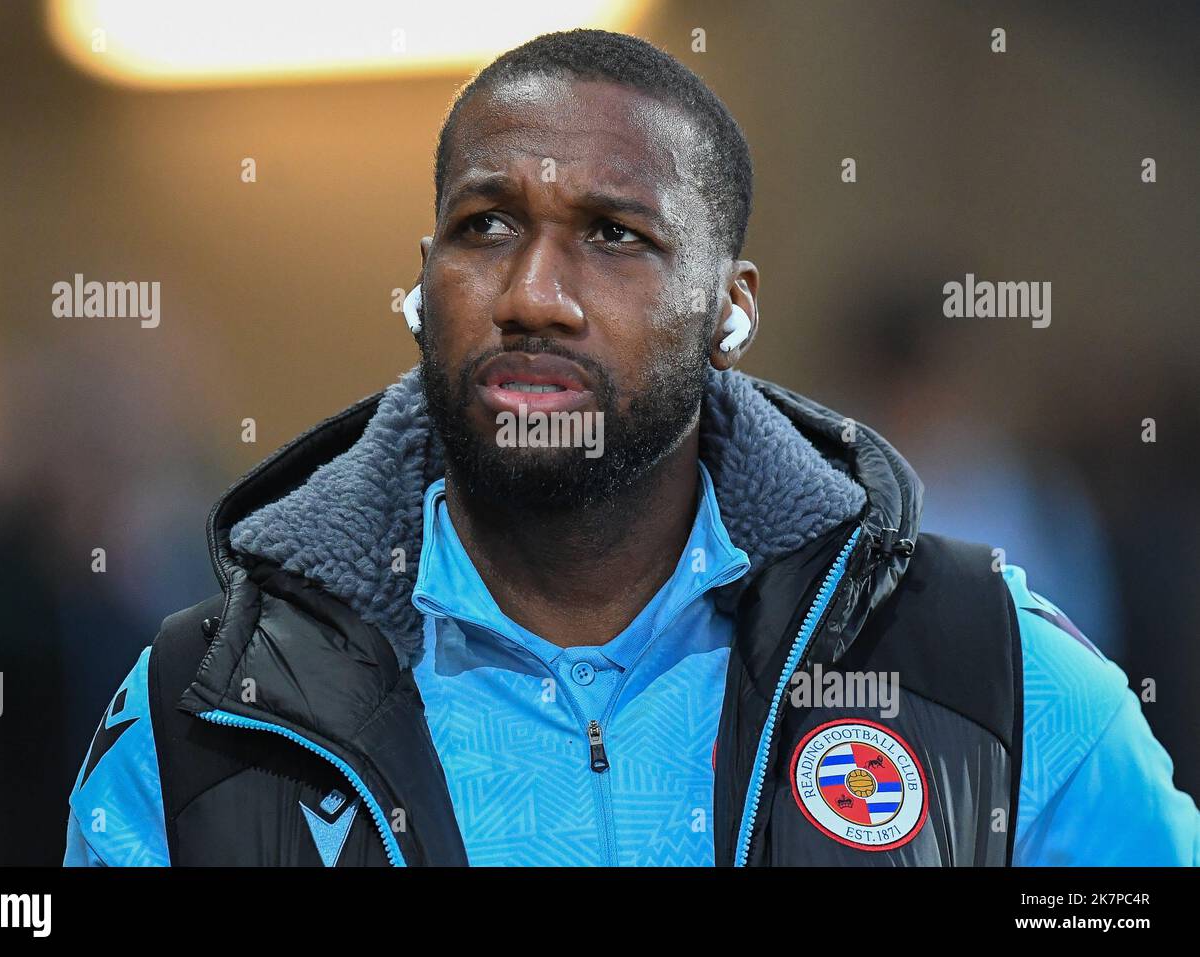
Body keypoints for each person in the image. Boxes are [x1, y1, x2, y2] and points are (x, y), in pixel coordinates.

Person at [64, 29, 1198, 867]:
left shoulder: (985, 670)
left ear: (727, 310)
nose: (533, 294)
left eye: (615, 236)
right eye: (485, 226)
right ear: (421, 282)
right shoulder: (207, 709)